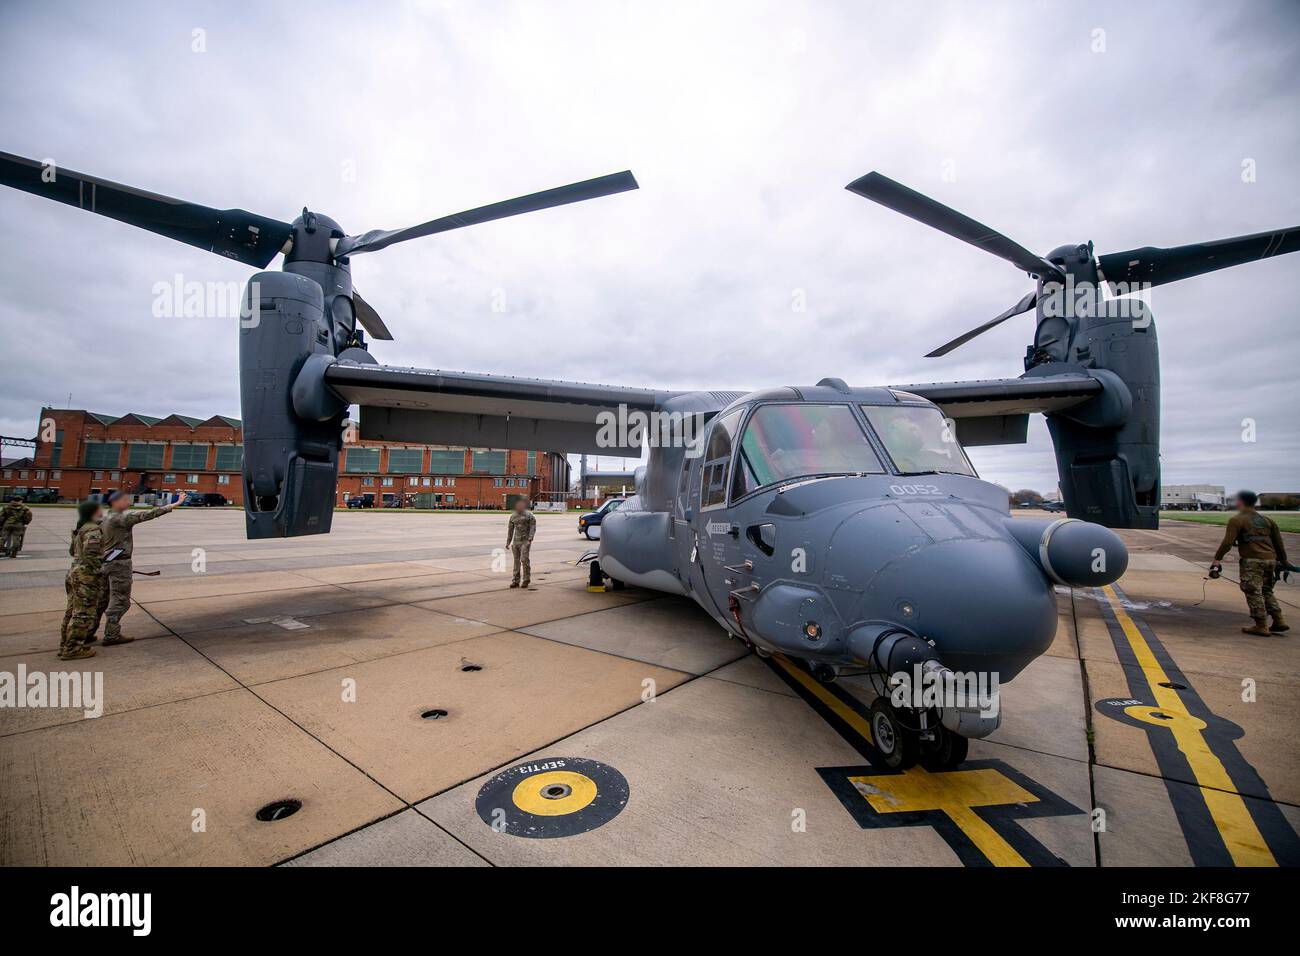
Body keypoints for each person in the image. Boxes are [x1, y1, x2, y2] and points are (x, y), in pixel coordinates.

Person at [99, 490, 187, 645]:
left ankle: (87, 632)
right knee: (120, 600)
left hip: (106, 561)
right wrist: (175, 504)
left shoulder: (104, 518)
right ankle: (111, 634)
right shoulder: (121, 518)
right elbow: (148, 514)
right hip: (120, 563)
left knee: (102, 598)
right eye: (124, 500)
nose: (127, 502)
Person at [1211, 490, 1290, 636]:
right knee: (1266, 590)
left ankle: (1261, 625)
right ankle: (1279, 620)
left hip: (1252, 561)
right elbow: (1278, 543)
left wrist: (1217, 559)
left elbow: (1227, 543)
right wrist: (1283, 561)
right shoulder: (1267, 520)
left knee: (1253, 591)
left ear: (1240, 502)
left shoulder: (1237, 520)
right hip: (1270, 560)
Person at [58, 500, 107, 660]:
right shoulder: (93, 530)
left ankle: (65, 644)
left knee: (71, 611)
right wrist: (101, 568)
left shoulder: (80, 528)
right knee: (84, 613)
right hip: (86, 576)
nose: (102, 511)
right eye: (100, 509)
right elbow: (92, 556)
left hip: (74, 572)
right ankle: (72, 649)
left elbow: (73, 551)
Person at [505, 497, 537, 589]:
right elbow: (510, 530)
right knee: (516, 562)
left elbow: (533, 527)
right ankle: (515, 581)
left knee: (524, 560)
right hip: (516, 542)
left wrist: (530, 538)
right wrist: (508, 542)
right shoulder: (513, 516)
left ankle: (526, 579)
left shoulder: (529, 515)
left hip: (525, 541)